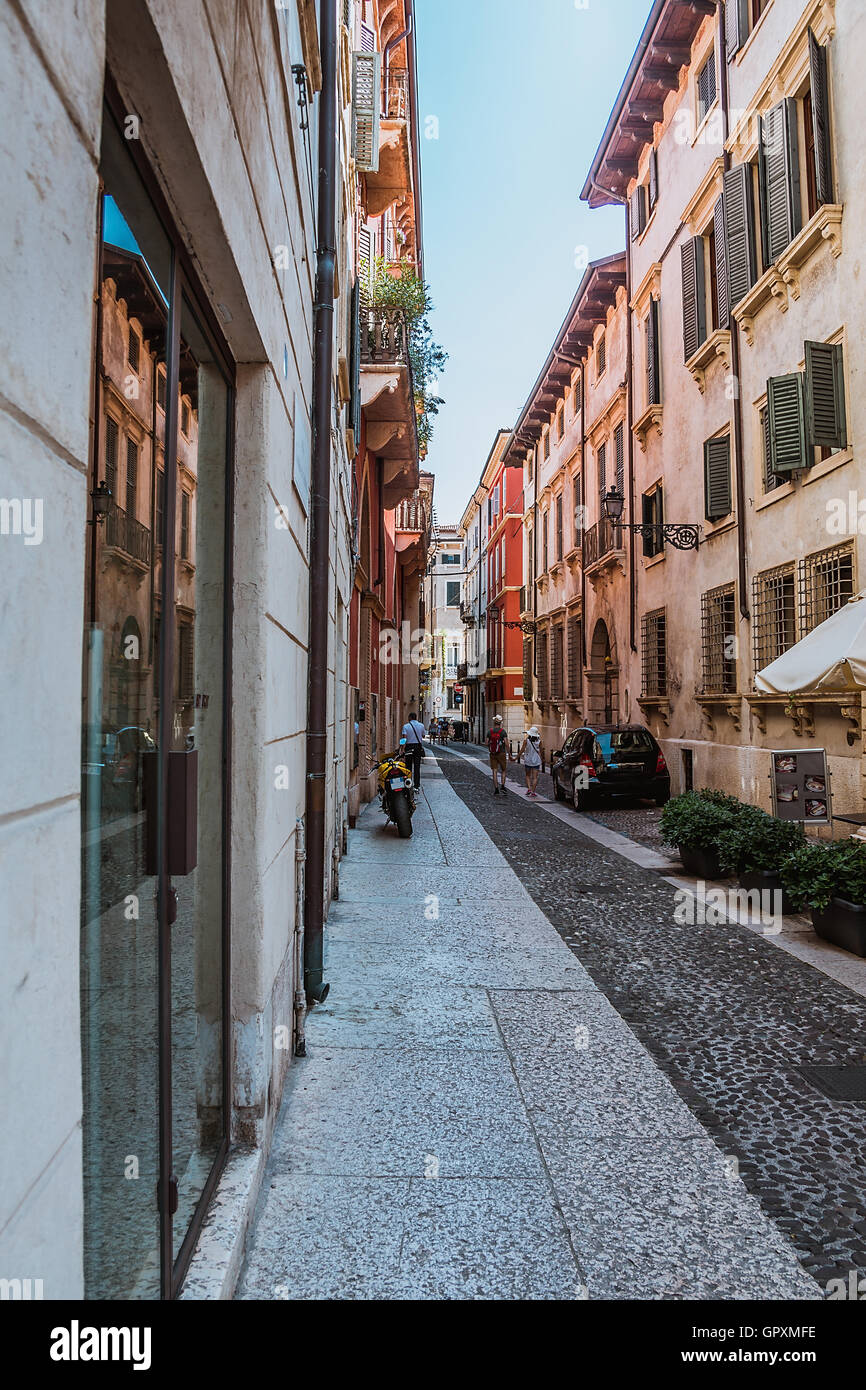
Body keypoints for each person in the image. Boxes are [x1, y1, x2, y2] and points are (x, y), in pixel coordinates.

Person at [401, 713, 427, 789]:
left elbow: (404, 739)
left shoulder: (405, 726)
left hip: (409, 747)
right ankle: (416, 785)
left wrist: (402, 748)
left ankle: (408, 784)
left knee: (408, 767)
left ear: (410, 717)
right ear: (416, 718)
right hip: (418, 747)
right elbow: (423, 735)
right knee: (417, 766)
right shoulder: (421, 725)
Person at [486, 715, 509, 796]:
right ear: (500, 723)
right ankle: (502, 785)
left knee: (494, 771)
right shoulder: (503, 732)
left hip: (493, 754)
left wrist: (491, 746)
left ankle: (496, 789)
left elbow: (486, 743)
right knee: (503, 770)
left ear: (494, 722)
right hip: (502, 753)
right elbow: (506, 743)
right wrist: (509, 753)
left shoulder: (490, 731)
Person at [520, 725, 542, 797]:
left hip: (528, 760)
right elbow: (541, 751)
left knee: (528, 775)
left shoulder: (526, 741)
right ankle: (533, 791)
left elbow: (522, 750)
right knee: (535, 777)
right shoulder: (539, 741)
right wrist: (542, 759)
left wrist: (517, 757)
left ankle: (529, 788)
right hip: (536, 761)